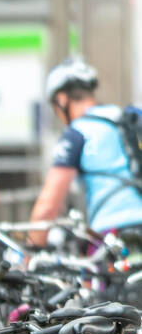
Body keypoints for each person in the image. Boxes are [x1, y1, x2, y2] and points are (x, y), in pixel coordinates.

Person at [29, 57, 142, 245]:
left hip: (115, 233)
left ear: (62, 100)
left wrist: (27, 253)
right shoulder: (123, 118)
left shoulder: (77, 133)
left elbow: (48, 206)